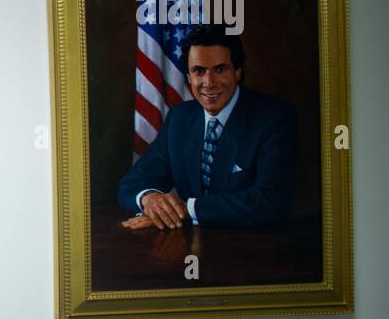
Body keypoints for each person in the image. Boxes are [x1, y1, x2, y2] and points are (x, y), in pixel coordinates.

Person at [117, 25, 297, 230]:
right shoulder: (179, 118)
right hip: (188, 251)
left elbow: (269, 202)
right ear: (188, 77)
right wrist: (150, 200)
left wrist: (184, 211)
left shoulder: (275, 119)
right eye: (199, 71)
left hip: (252, 249)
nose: (208, 83)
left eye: (220, 69)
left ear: (238, 71)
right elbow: (130, 184)